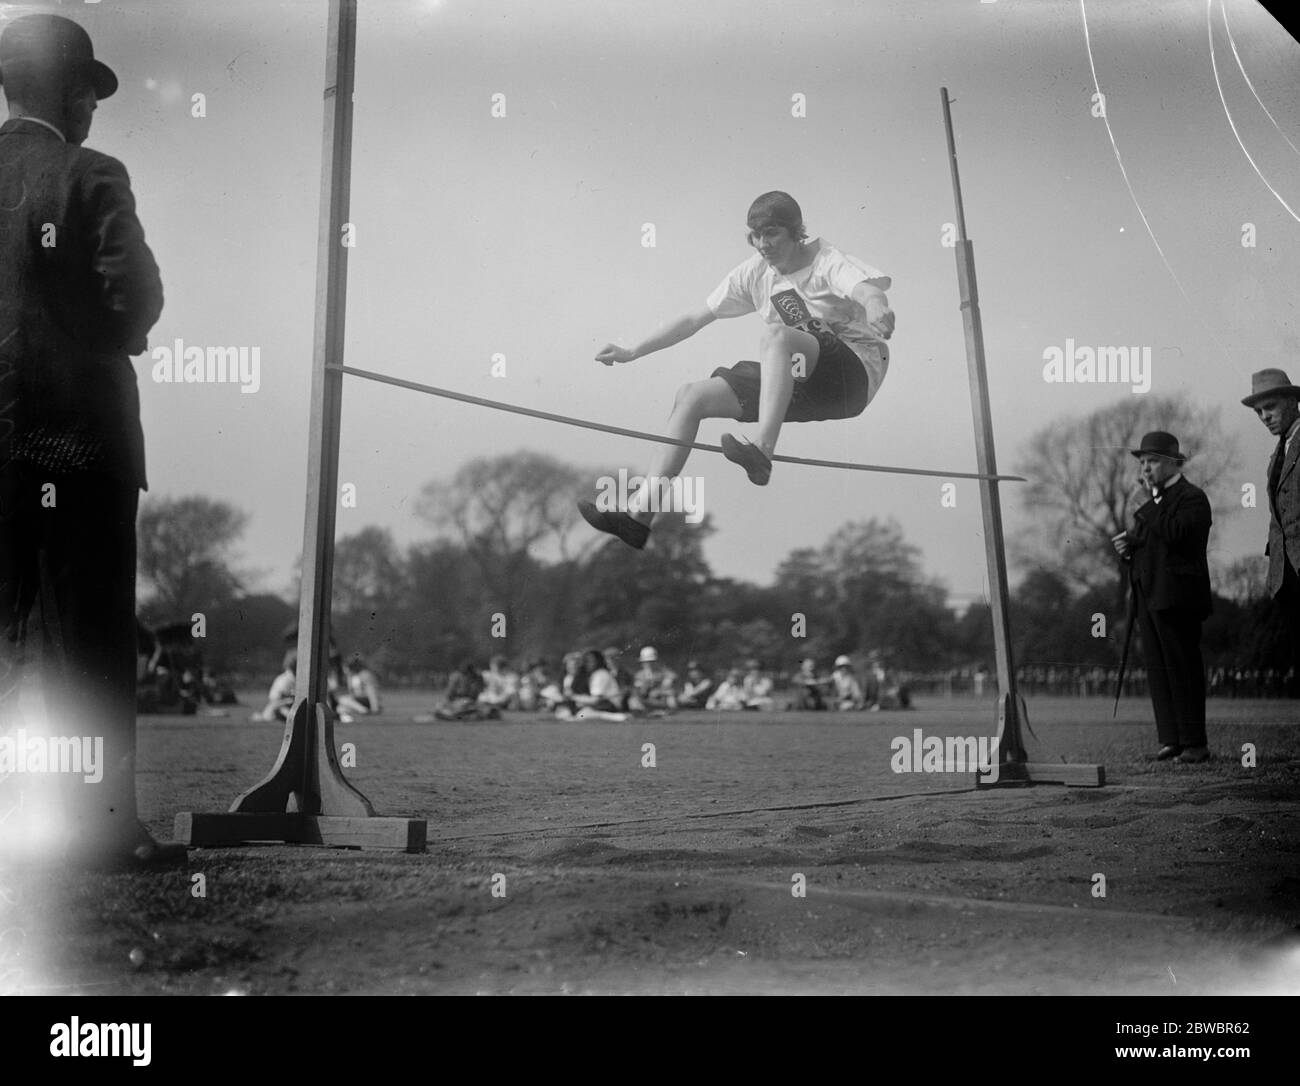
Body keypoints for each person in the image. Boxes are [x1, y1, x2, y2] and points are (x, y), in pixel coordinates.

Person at [0, 16, 181, 867]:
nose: (92, 112)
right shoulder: (89, 172)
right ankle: (102, 829)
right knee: (93, 638)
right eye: (89, 95)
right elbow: (135, 293)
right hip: (78, 442)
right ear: (71, 94)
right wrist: (105, 339)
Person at [580, 191, 894, 549]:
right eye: (755, 236)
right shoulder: (756, 273)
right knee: (692, 396)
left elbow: (868, 291)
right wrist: (633, 350)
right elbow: (694, 318)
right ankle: (640, 515)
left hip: (852, 375)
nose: (763, 244)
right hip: (803, 378)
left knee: (777, 337)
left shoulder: (826, 262)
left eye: (772, 233)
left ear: (796, 232)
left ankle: (762, 450)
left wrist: (876, 307)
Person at [1111, 432, 1213, 763]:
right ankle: (1171, 739)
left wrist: (1146, 507)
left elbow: (1178, 535)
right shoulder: (1151, 502)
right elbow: (1151, 546)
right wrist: (1129, 550)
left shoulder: (1192, 497)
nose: (1146, 468)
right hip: (1149, 594)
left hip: (1178, 597)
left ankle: (1194, 742)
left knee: (1182, 668)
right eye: (1142, 462)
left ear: (1173, 462)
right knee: (1159, 670)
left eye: (1152, 461)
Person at [1242, 368, 1300, 695]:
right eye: (1259, 412)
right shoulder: (1278, 451)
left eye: (1271, 407)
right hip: (1286, 575)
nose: (1264, 417)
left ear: (1293, 401)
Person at [632, 646, 677, 712]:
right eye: (646, 661)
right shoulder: (639, 675)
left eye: (651, 661)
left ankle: (671, 713)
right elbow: (640, 693)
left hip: (661, 699)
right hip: (646, 701)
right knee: (634, 702)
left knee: (671, 698)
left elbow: (673, 676)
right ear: (642, 662)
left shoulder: (662, 671)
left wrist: (660, 691)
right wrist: (646, 685)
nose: (649, 664)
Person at [336, 655, 381, 720]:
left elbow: (371, 691)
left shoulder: (364, 674)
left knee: (342, 699)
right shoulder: (351, 676)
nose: (343, 669)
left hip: (366, 700)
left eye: (344, 667)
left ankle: (363, 710)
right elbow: (352, 691)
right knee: (340, 708)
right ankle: (357, 716)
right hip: (357, 700)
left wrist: (375, 707)